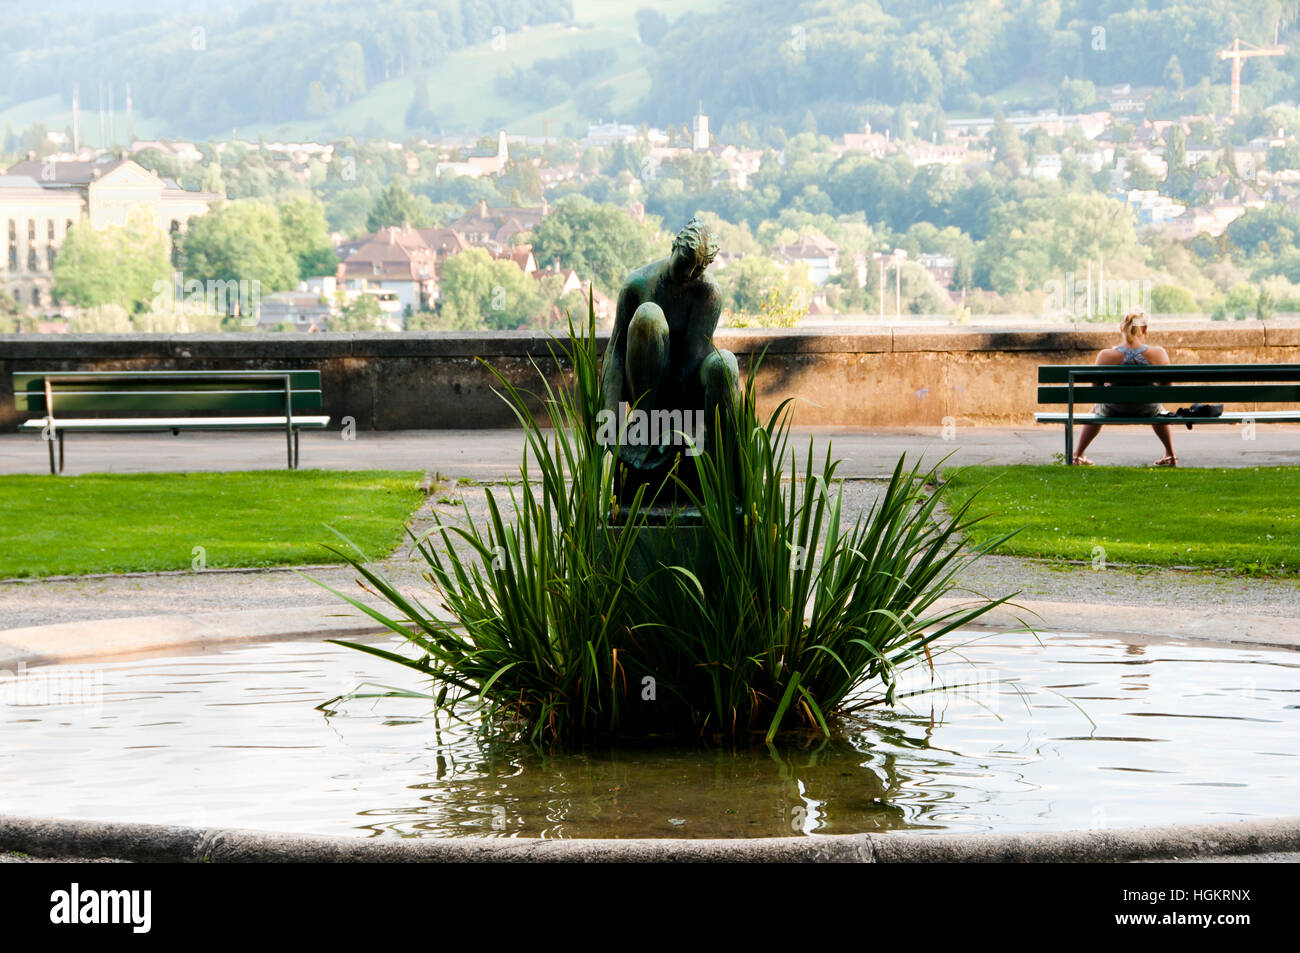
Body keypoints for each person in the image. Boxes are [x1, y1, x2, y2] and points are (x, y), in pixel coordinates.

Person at [1071, 311, 1177, 467]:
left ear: (1122, 328)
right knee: (1159, 408)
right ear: (1145, 329)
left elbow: (1096, 391)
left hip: (1114, 408)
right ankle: (1171, 455)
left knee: (1096, 409)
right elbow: (1167, 389)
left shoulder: (1105, 356)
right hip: (1147, 409)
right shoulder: (1158, 354)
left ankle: (1078, 455)